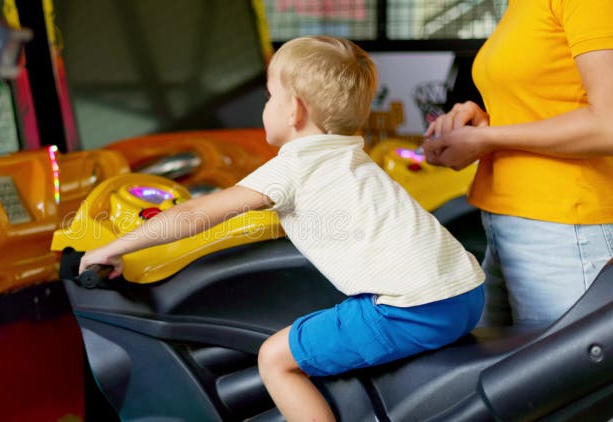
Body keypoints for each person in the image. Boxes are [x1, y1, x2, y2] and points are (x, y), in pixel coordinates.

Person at [79, 36, 485, 421]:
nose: (266, 105)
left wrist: (115, 247)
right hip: (465, 294)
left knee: (275, 358)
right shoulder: (350, 153)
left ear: (294, 110)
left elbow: (198, 213)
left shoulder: (293, 166)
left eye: (270, 96)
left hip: (414, 310)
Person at [423, 0, 613, 329]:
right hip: (509, 223)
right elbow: (545, 104)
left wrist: (488, 139)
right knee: (491, 375)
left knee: (560, 378)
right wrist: (481, 124)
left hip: (564, 228)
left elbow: (608, 124)